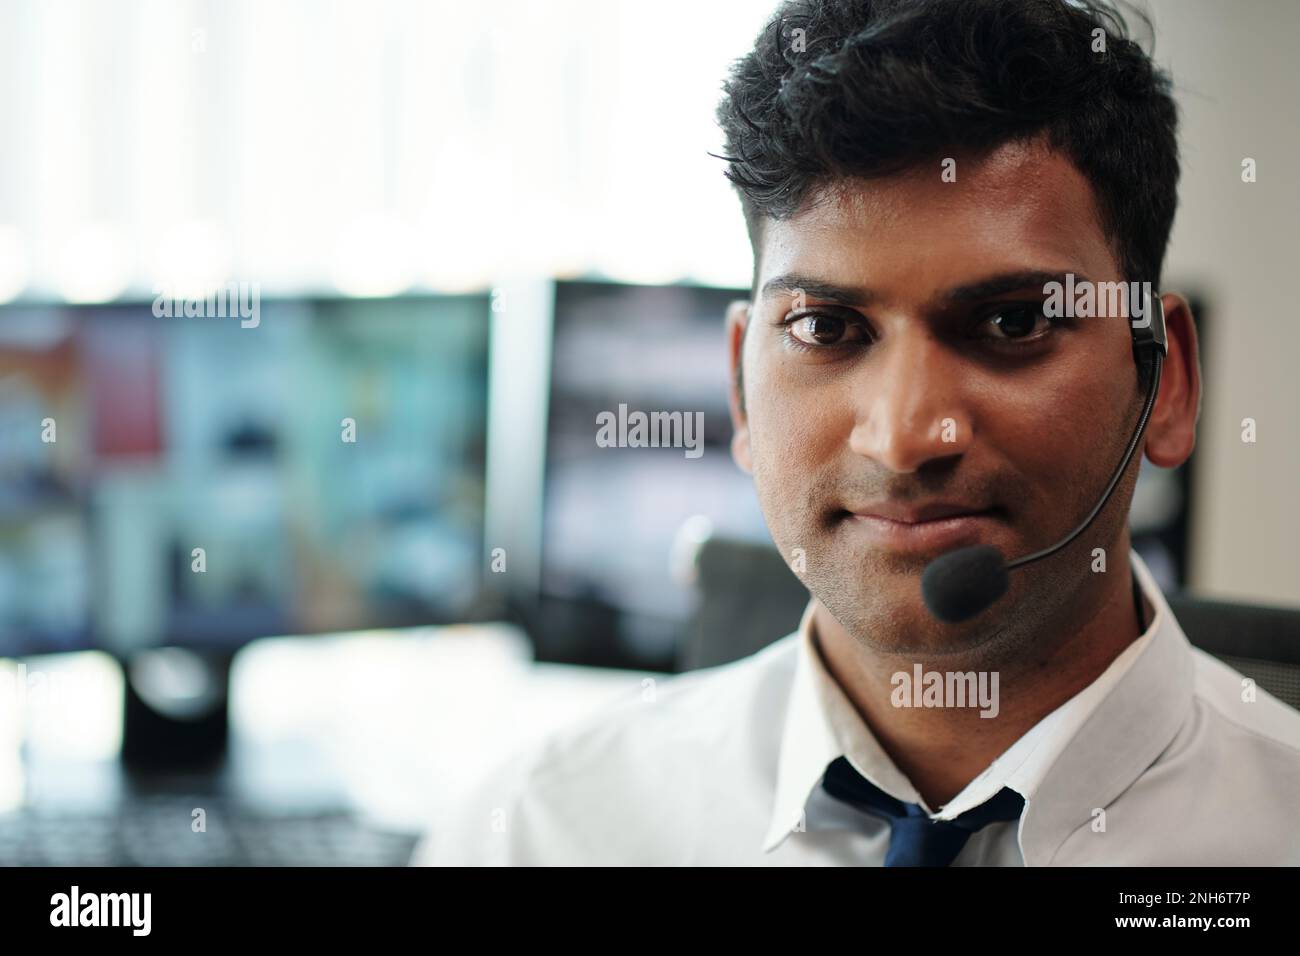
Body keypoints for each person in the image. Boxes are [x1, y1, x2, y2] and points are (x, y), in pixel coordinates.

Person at [414, 0, 1300, 865]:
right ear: (741, 389)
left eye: (1011, 325)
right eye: (827, 329)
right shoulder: (534, 831)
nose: (906, 438)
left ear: (1168, 380)